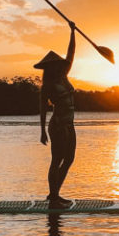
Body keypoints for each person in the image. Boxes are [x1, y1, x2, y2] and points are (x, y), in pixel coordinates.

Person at [34, 20, 77, 209]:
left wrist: (72, 32)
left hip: (69, 124)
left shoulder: (64, 75)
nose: (59, 66)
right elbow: (43, 110)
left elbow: (71, 54)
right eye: (55, 65)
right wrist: (42, 132)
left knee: (69, 159)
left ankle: (55, 195)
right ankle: (53, 199)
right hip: (58, 125)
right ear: (49, 68)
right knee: (57, 159)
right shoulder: (47, 87)